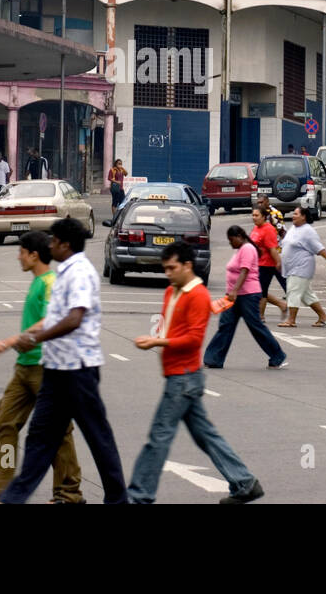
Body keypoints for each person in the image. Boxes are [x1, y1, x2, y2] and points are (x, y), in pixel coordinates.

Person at [127, 242, 265, 504]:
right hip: (179, 376)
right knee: (205, 435)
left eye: (172, 268)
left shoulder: (198, 296)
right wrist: (159, 339)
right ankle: (244, 482)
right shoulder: (172, 291)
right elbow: (174, 330)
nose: (168, 273)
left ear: (187, 266)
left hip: (184, 378)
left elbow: (193, 339)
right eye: (165, 268)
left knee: (159, 438)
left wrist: (158, 342)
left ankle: (138, 496)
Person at [0, 218, 126, 504]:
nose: (50, 244)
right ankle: (12, 498)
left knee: (97, 437)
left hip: (78, 369)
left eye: (53, 240)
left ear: (65, 245)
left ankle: (118, 499)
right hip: (56, 370)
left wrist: (36, 338)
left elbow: (74, 319)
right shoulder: (64, 271)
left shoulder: (80, 272)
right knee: (40, 439)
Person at [0, 231, 82, 504]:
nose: (18, 256)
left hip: (45, 366)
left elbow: (50, 320)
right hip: (24, 367)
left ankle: (69, 493)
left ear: (34, 255)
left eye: (21, 251)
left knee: (58, 432)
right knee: (4, 423)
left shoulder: (50, 283)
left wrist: (11, 340)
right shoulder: (38, 282)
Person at [203, 226, 287, 369]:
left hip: (247, 295)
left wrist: (235, 290)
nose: (230, 243)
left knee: (255, 326)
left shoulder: (247, 249)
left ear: (239, 237)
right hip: (233, 297)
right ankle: (213, 359)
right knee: (225, 325)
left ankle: (277, 355)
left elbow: (244, 271)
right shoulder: (240, 250)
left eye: (231, 240)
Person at [278, 207, 326, 327]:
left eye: (296, 214)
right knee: (306, 295)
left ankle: (291, 320)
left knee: (293, 292)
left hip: (301, 267)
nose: (293, 216)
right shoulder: (294, 228)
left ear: (303, 216)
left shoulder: (308, 231)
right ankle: (323, 317)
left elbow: (319, 248)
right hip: (292, 267)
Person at [250, 206, 289, 321]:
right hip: (257, 264)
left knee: (261, 292)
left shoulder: (268, 229)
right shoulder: (256, 228)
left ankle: (260, 316)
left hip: (266, 264)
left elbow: (272, 249)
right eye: (253, 215)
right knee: (259, 290)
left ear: (264, 217)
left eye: (256, 215)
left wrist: (278, 262)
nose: (254, 218)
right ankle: (281, 305)